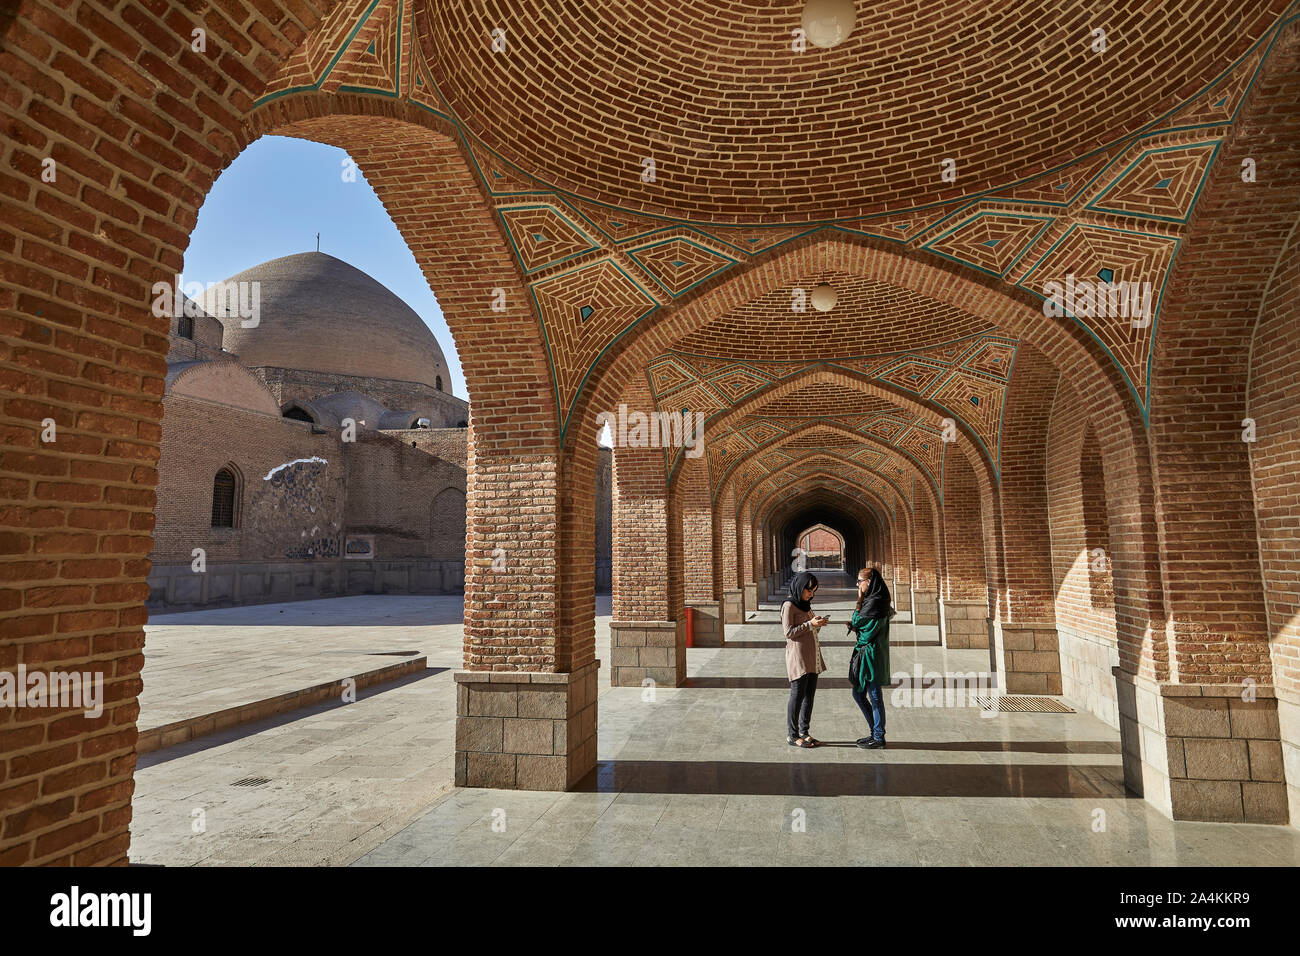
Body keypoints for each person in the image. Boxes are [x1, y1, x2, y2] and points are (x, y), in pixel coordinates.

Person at [783, 570, 828, 748]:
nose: (811, 594)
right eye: (808, 591)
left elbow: (809, 628)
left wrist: (818, 623)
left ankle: (804, 731)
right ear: (800, 587)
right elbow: (788, 632)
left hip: (812, 656)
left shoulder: (805, 605)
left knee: (809, 697)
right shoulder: (789, 605)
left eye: (813, 591)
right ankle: (792, 735)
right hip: (798, 657)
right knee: (797, 696)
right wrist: (810, 624)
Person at [847, 566, 892, 749]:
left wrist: (859, 600)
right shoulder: (875, 600)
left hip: (871, 655)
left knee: (874, 696)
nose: (858, 584)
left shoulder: (874, 603)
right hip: (869, 652)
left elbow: (859, 621)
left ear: (869, 582)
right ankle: (874, 732)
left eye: (860, 581)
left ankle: (879, 736)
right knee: (858, 693)